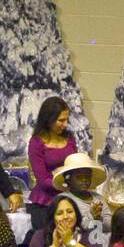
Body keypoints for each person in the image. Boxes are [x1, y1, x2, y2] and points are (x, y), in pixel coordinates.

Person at [27, 97, 76, 230]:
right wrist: (65, 186)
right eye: (61, 120)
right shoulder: (36, 142)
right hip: (45, 204)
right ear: (48, 119)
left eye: (67, 120)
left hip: (69, 199)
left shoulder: (70, 138)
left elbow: (76, 166)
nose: (65, 124)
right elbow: (42, 179)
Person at [51, 152, 106, 233]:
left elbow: (110, 225)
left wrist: (99, 219)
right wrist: (90, 216)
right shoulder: (63, 200)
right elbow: (70, 229)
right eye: (79, 177)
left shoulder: (98, 198)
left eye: (87, 176)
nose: (84, 179)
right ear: (68, 180)